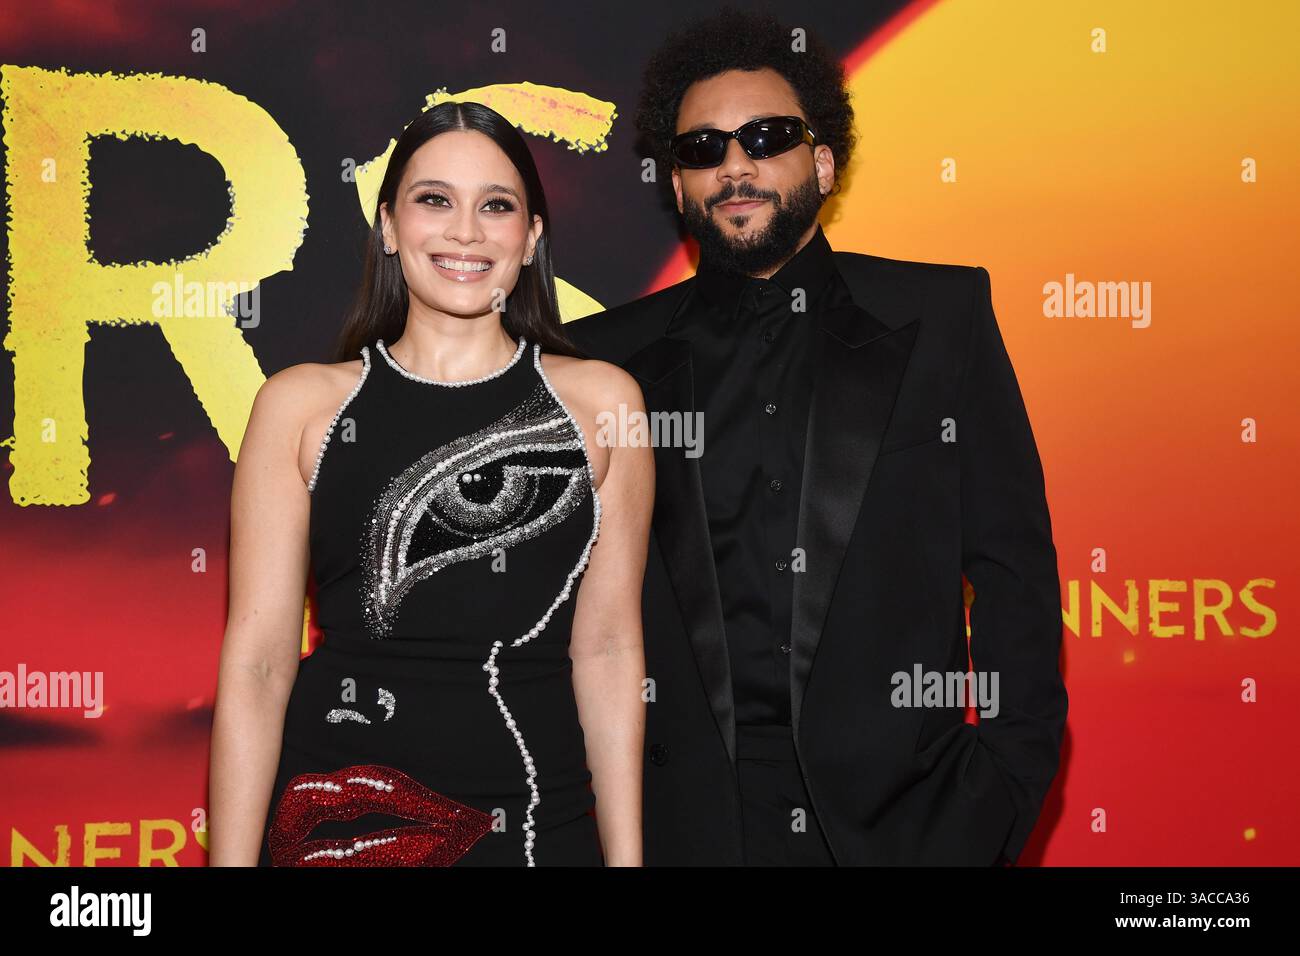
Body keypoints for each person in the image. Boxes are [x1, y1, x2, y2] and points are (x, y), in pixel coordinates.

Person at [565, 9, 1068, 865]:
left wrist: (1005, 784)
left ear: (822, 160)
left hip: (905, 822)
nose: (735, 166)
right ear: (677, 184)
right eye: (703, 149)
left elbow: (1013, 568)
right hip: (682, 825)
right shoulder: (606, 361)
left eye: (766, 137)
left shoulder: (941, 319)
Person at [209, 101, 651, 867]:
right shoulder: (301, 405)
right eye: (434, 200)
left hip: (542, 824)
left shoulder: (605, 405)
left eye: (497, 207)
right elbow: (258, 663)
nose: (466, 231)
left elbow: (609, 649)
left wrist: (626, 861)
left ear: (532, 236)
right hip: (345, 818)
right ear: (388, 225)